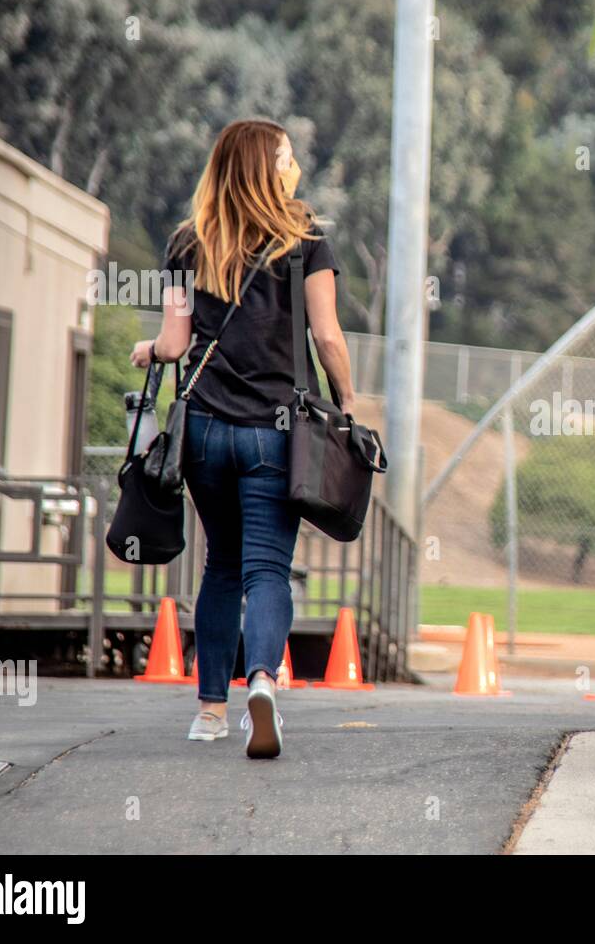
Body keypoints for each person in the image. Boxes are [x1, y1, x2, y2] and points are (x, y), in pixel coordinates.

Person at [131, 118, 356, 759]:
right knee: (267, 570)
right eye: (287, 156)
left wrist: (146, 350)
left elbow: (175, 345)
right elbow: (329, 336)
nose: (295, 166)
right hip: (277, 431)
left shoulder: (187, 242)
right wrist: (347, 403)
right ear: (266, 167)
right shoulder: (305, 240)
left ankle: (208, 712)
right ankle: (261, 679)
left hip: (202, 430)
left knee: (221, 566)